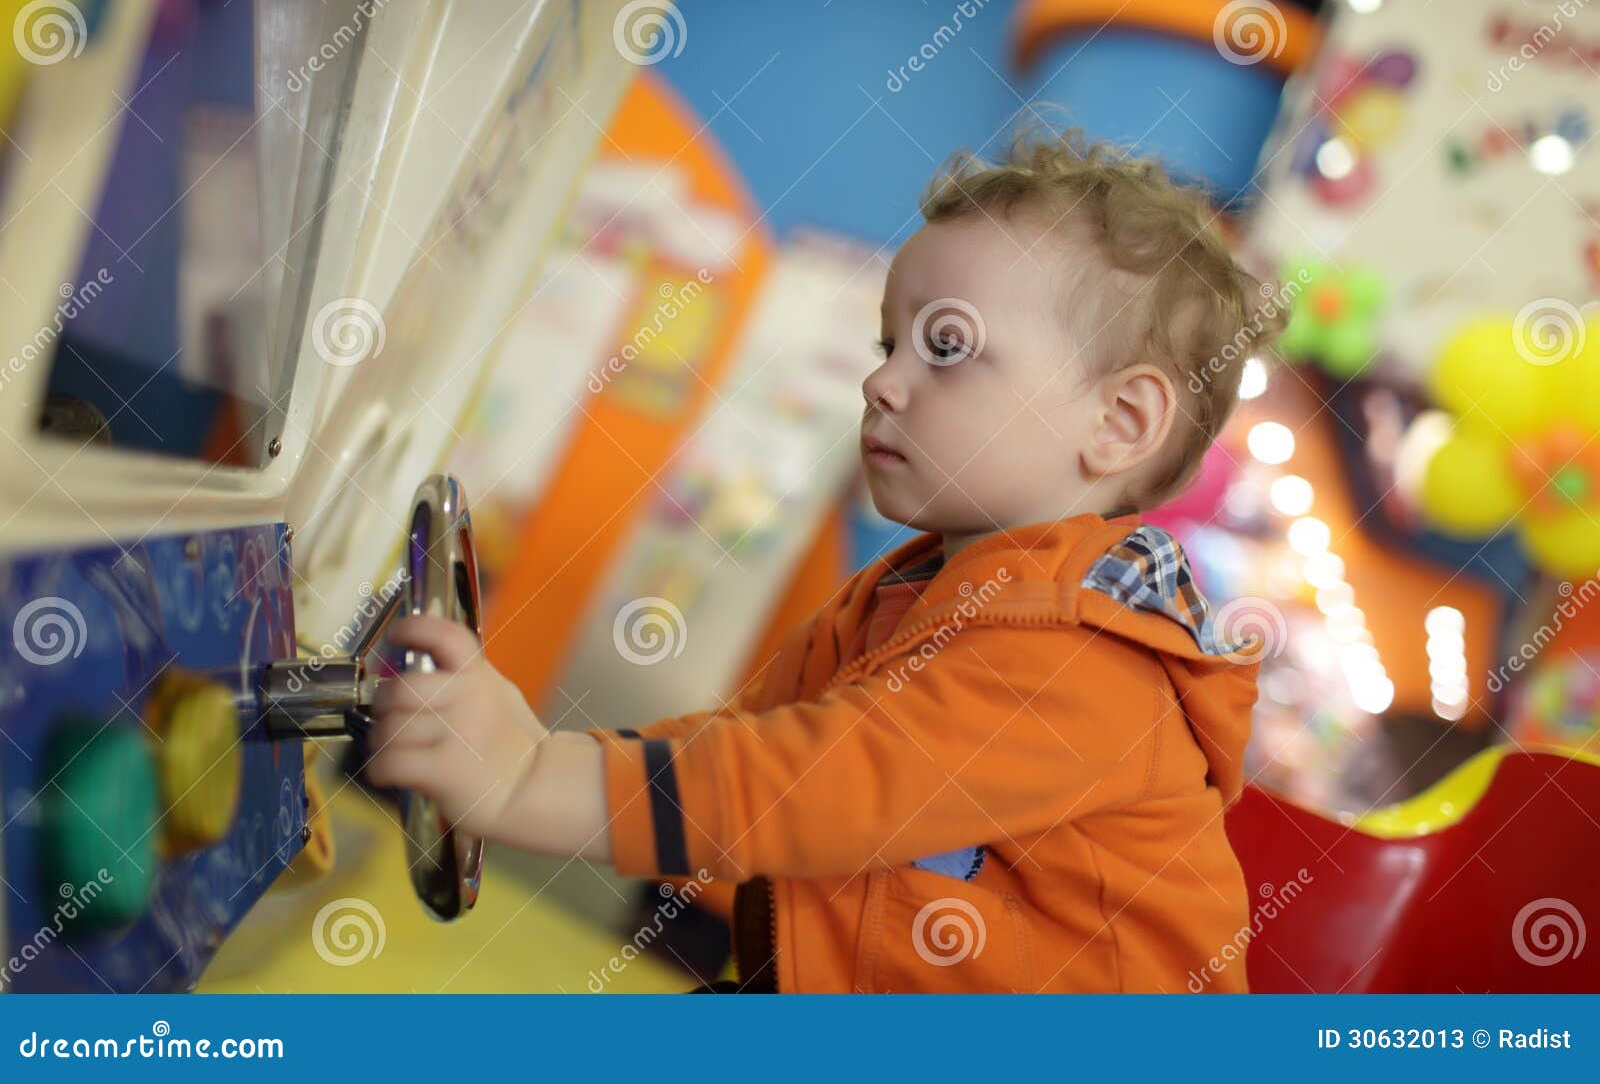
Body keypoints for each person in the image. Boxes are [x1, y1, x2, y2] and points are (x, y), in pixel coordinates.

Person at [367, 122, 1282, 993]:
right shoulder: (903, 596)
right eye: (891, 343)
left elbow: (811, 787)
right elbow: (751, 743)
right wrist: (535, 749)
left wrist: (531, 782)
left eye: (947, 346)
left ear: (1118, 423)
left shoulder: (1084, 658)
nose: (881, 379)